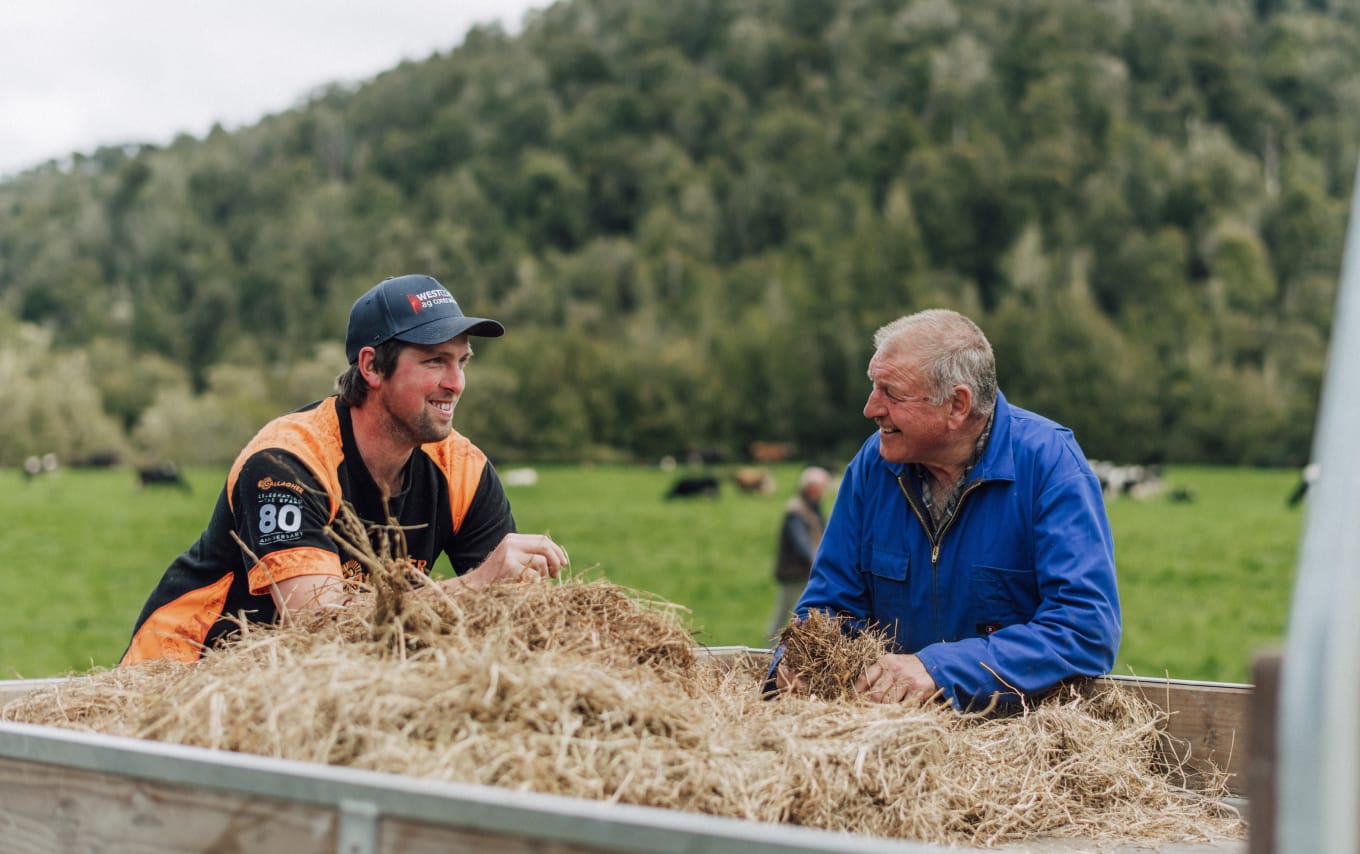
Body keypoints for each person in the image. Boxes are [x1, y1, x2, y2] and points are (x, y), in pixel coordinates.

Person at [121, 274, 569, 665]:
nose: (455, 383)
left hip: (299, 694)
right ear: (372, 367)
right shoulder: (286, 462)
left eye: (462, 361)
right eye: (435, 361)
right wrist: (476, 585)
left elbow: (508, 625)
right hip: (181, 684)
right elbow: (320, 628)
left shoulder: (463, 470)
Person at [770, 309, 1120, 710]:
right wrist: (797, 659)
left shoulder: (1049, 465)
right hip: (886, 741)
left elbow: (1086, 629)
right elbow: (829, 605)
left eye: (891, 392)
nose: (871, 408)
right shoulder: (874, 465)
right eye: (874, 387)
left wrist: (939, 669)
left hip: (1010, 748)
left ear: (957, 405)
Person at [765, 466, 831, 643]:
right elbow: (801, 543)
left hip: (807, 571)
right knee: (784, 615)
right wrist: (817, 561)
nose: (823, 492)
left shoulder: (813, 507)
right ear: (810, 487)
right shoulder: (796, 511)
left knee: (800, 616)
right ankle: (769, 653)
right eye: (821, 488)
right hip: (795, 572)